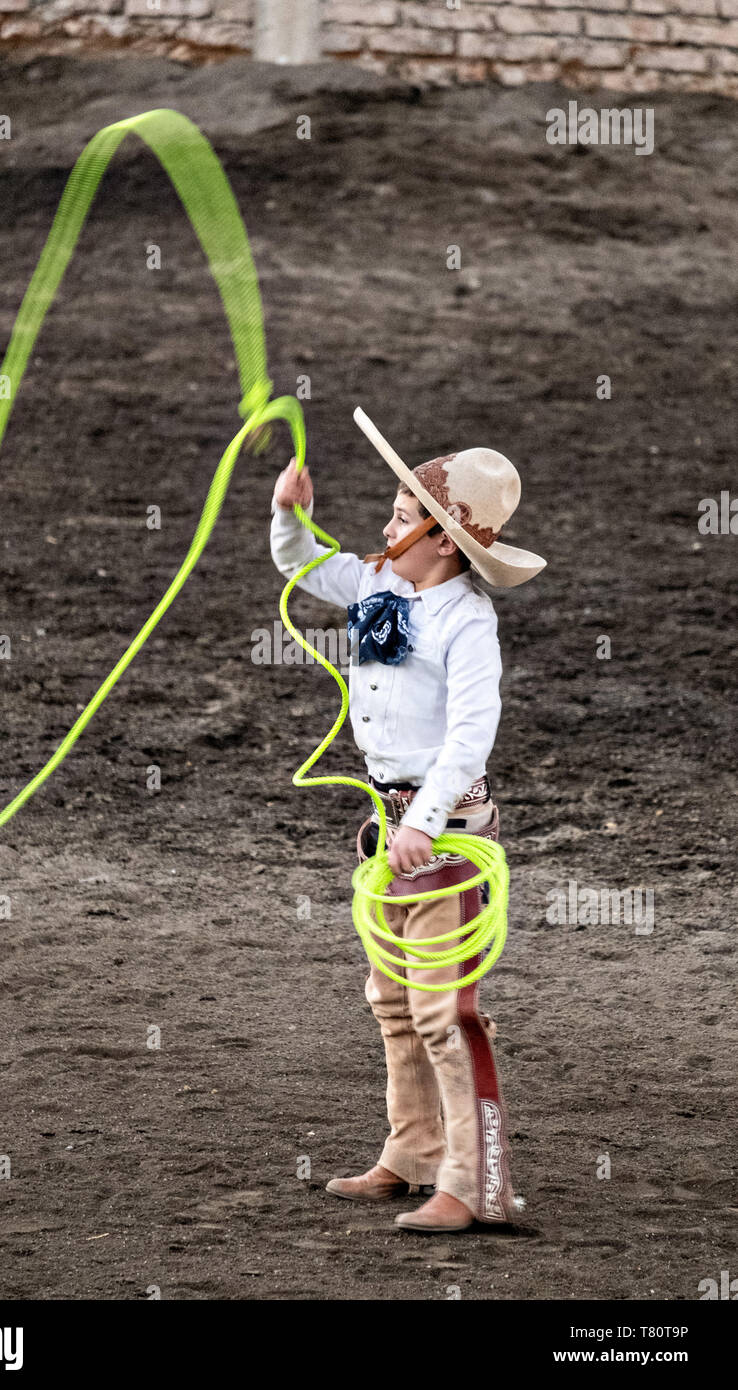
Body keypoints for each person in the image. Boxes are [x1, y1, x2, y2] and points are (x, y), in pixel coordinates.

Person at [269, 410, 546, 1233]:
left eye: (401, 515)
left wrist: (423, 822)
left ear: (446, 543)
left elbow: (469, 739)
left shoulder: (467, 622)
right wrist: (289, 511)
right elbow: (302, 565)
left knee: (442, 1008)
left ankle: (477, 1179)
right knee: (392, 997)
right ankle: (415, 1148)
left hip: (448, 834)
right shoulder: (377, 582)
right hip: (394, 833)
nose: (386, 525)